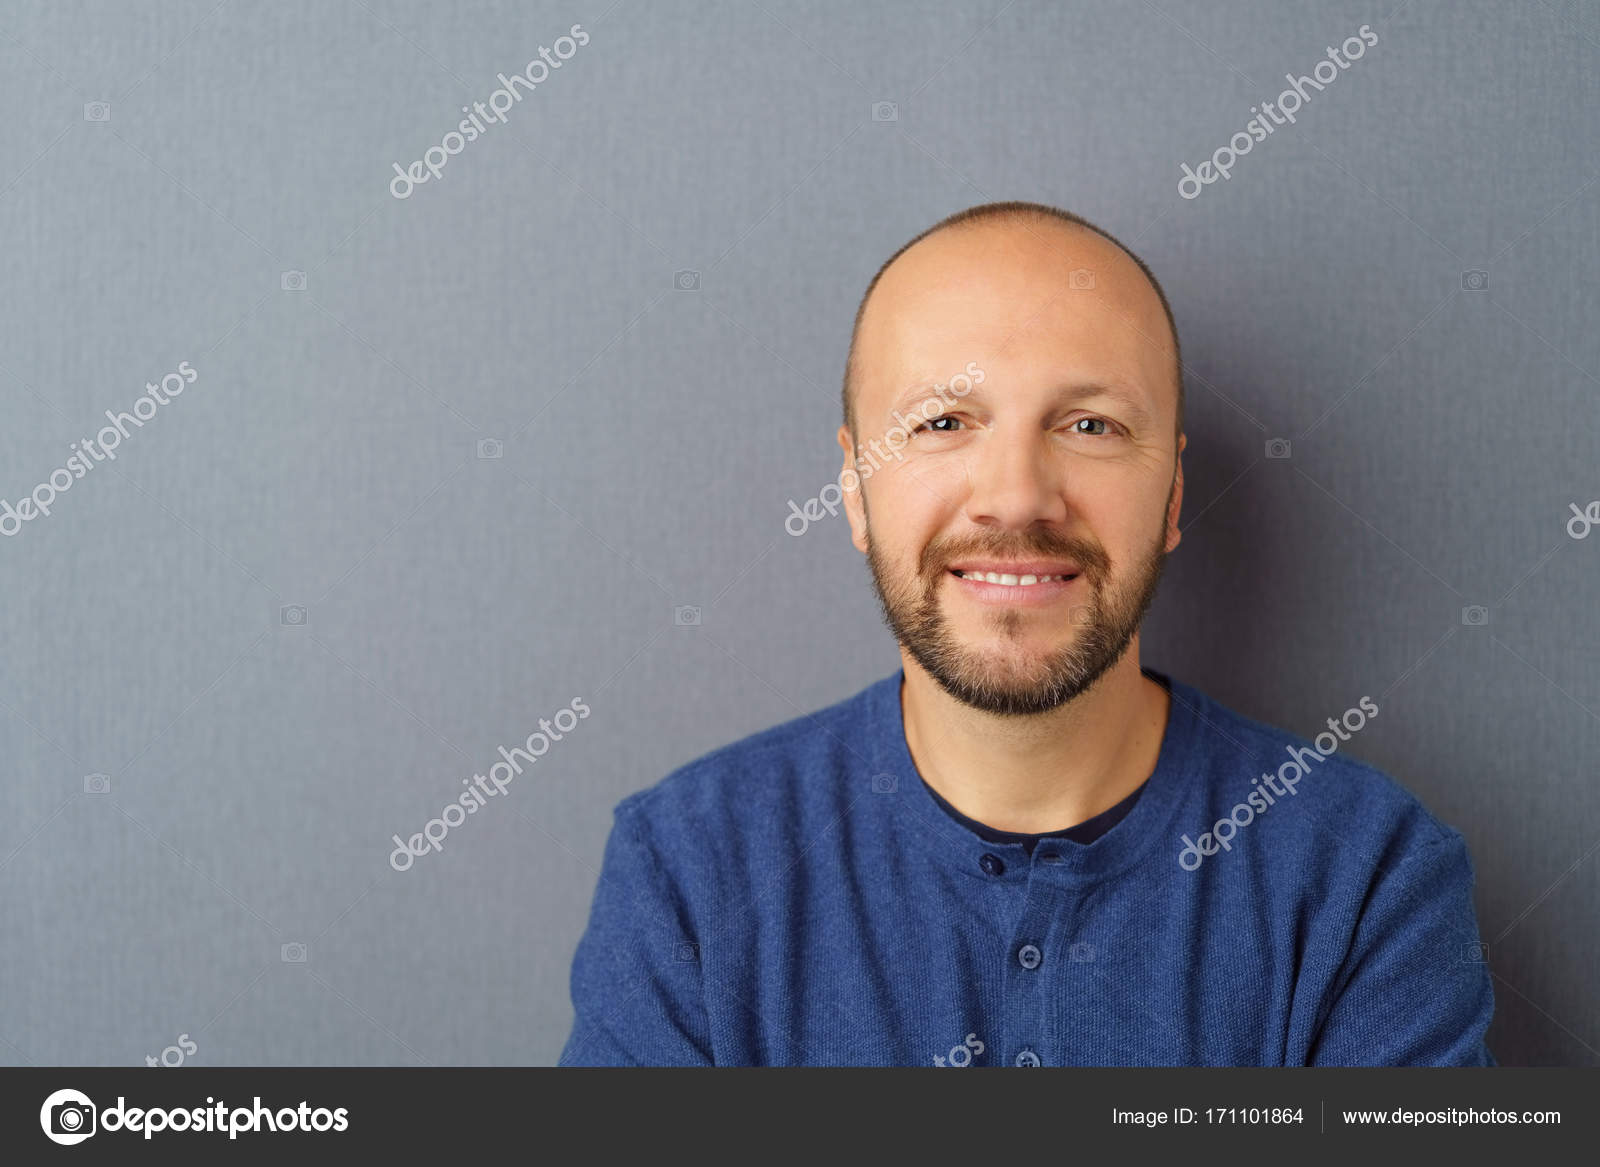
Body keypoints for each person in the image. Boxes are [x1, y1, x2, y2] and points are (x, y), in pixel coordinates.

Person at [560, 200, 1495, 1066]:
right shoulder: (688, 873)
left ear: (1170, 494)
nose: (1015, 495)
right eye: (941, 422)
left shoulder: (1368, 879)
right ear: (853, 488)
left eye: (1089, 423)